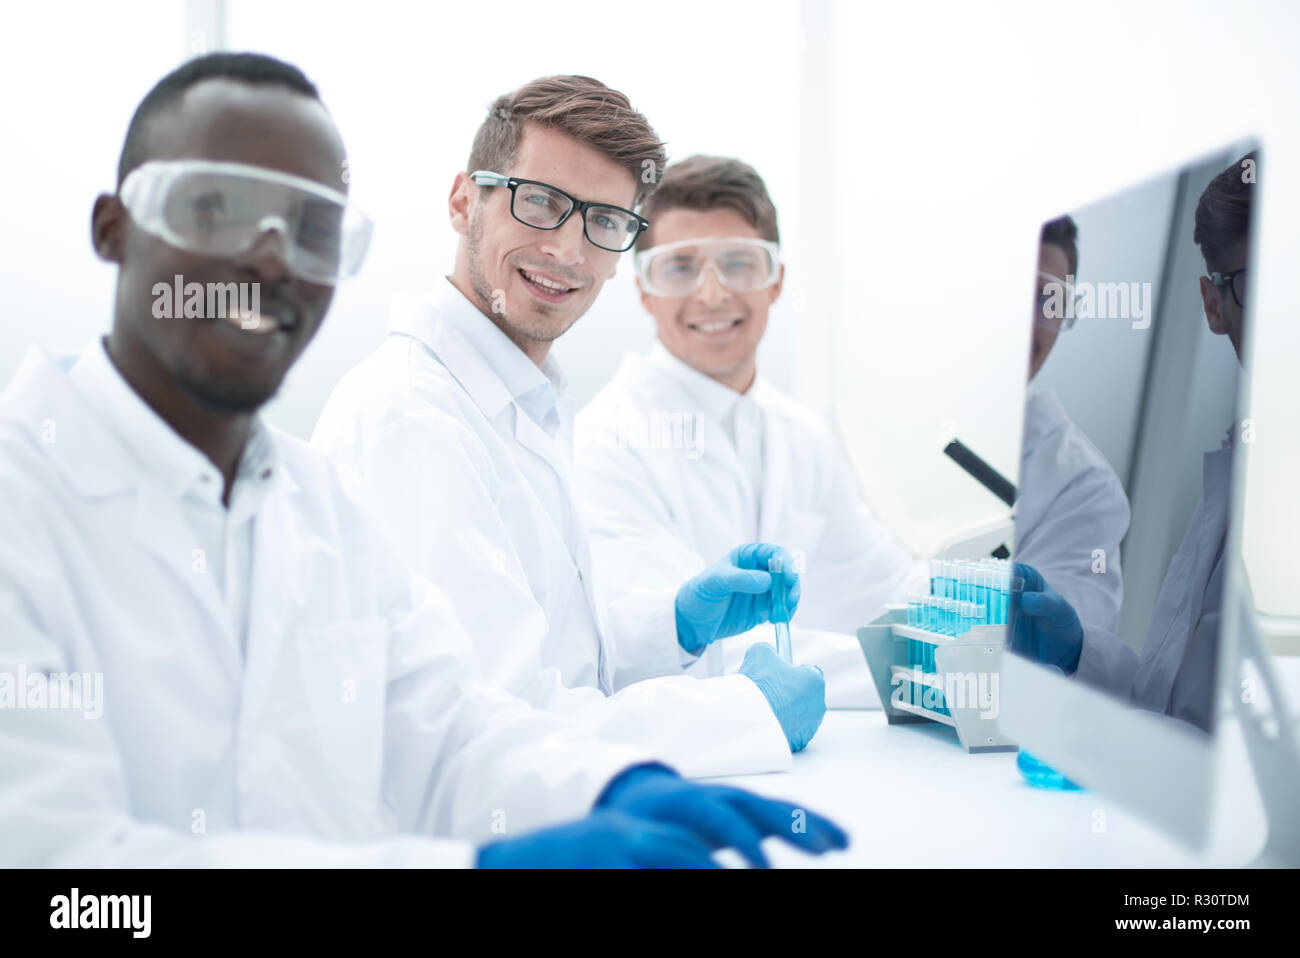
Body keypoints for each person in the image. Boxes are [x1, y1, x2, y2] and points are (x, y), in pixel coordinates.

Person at [0, 53, 848, 868]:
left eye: (310, 225)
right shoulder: (24, 504)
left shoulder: (311, 503)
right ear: (112, 228)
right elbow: (68, 876)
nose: (266, 258)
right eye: (214, 207)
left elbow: (451, 728)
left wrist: (616, 784)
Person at [312, 77, 826, 771]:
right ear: (465, 201)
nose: (568, 251)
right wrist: (746, 714)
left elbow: (546, 653)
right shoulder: (411, 417)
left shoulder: (520, 403)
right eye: (543, 203)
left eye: (605, 221)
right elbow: (497, 722)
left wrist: (671, 625)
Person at [573, 156, 927, 706]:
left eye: (739, 264)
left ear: (776, 280)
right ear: (644, 289)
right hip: (698, 766)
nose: (712, 295)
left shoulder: (801, 435)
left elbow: (882, 587)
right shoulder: (606, 441)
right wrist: (926, 668)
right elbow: (693, 655)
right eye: (680, 267)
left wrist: (989, 617)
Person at [1010, 153, 1256, 733]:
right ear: (1213, 303)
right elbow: (1167, 705)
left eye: (1050, 299)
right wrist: (1078, 656)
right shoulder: (1229, 480)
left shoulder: (1083, 485)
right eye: (1258, 284)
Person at [1013, 216, 1131, 634]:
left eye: (1048, 301)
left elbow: (1050, 655)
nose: (1026, 323)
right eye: (1012, 289)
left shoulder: (1083, 487)